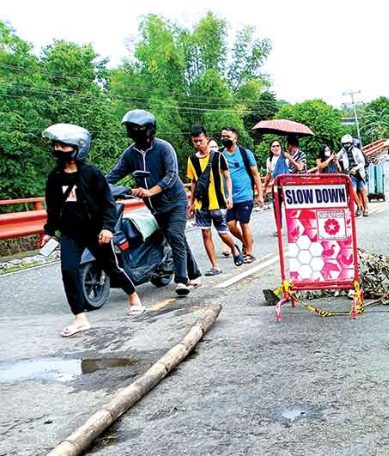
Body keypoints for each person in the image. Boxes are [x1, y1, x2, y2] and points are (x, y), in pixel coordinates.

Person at [41, 124, 144, 337]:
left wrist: (108, 228)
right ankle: (80, 317)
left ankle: (133, 295)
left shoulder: (92, 174)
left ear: (78, 148)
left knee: (111, 267)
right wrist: (49, 231)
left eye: (63, 145)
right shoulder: (55, 177)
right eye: (55, 145)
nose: (57, 149)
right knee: (69, 271)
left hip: (96, 231)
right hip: (70, 233)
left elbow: (108, 204)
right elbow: (52, 206)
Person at [107, 109, 201, 296]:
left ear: (149, 129)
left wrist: (150, 191)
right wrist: (92, 185)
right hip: (155, 207)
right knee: (178, 239)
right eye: (131, 128)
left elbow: (171, 176)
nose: (134, 131)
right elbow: (114, 175)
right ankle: (195, 273)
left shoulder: (164, 148)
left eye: (138, 127)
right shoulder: (130, 154)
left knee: (175, 235)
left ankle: (182, 280)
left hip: (175, 202)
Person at [185, 126, 242, 275]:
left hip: (218, 202)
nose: (198, 144)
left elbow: (227, 177)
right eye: (195, 141)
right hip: (201, 204)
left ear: (207, 139)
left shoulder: (218, 156)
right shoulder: (192, 159)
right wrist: (191, 203)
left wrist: (230, 196)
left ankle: (234, 249)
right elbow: (194, 182)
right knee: (205, 233)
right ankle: (215, 266)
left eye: (201, 140)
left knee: (223, 232)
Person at [219, 127, 262, 263]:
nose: (225, 139)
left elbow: (256, 174)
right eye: (223, 136)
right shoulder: (220, 155)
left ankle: (249, 253)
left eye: (228, 136)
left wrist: (260, 194)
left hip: (245, 195)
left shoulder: (245, 153)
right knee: (230, 225)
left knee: (244, 223)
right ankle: (246, 241)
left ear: (235, 139)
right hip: (230, 197)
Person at [337, 135, 369, 217]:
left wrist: (355, 168)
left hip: (359, 174)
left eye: (348, 143)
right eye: (344, 144)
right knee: (353, 191)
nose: (346, 146)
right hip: (350, 174)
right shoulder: (342, 151)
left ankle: (366, 209)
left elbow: (363, 163)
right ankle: (359, 206)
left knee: (362, 191)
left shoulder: (357, 151)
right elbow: (337, 157)